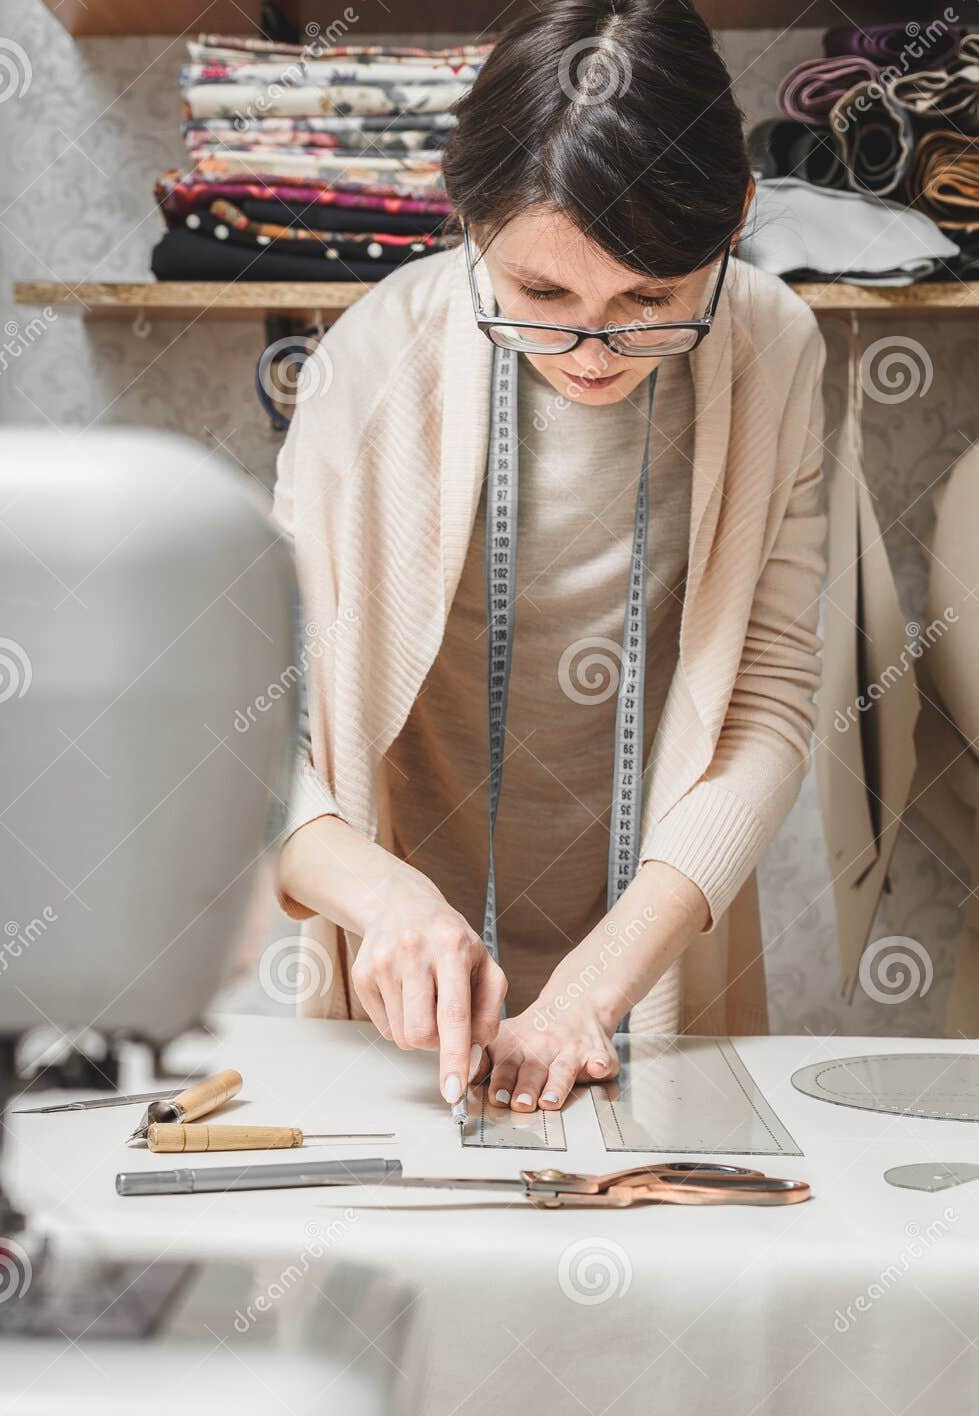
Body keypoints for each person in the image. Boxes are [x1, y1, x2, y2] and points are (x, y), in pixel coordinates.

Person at [272, 0, 827, 1115]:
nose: (591, 350)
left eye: (650, 301)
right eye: (538, 296)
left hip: (648, 967)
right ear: (468, 221)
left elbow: (768, 704)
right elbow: (245, 736)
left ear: (736, 220)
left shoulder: (772, 347)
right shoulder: (365, 361)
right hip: (401, 987)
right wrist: (381, 899)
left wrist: (596, 981)